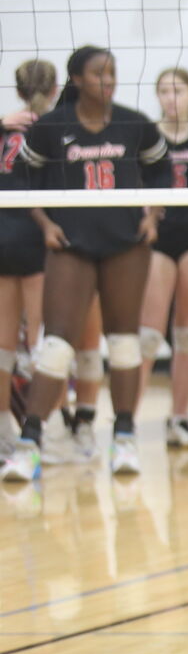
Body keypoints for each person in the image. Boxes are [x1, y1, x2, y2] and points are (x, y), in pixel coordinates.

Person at [3, 47, 170, 481]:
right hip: (72, 245)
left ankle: (125, 439)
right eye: (99, 73)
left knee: (124, 343)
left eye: (113, 72)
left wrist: (153, 215)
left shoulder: (134, 123)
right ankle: (30, 443)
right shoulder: (53, 128)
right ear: (76, 79)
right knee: (56, 345)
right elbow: (23, 181)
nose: (109, 80)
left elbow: (162, 172)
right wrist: (43, 224)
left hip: (126, 245)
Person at [136, 68, 188, 446]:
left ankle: (181, 418)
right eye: (164, 91)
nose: (171, 98)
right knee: (149, 335)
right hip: (159, 237)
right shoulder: (146, 137)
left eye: (178, 90)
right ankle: (128, 420)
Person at [1, 63, 53, 450]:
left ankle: (4, 428)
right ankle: (40, 432)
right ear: (54, 89)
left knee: (3, 342)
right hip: (36, 234)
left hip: (4, 234)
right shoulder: (53, 129)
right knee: (40, 341)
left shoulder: (6, 128)